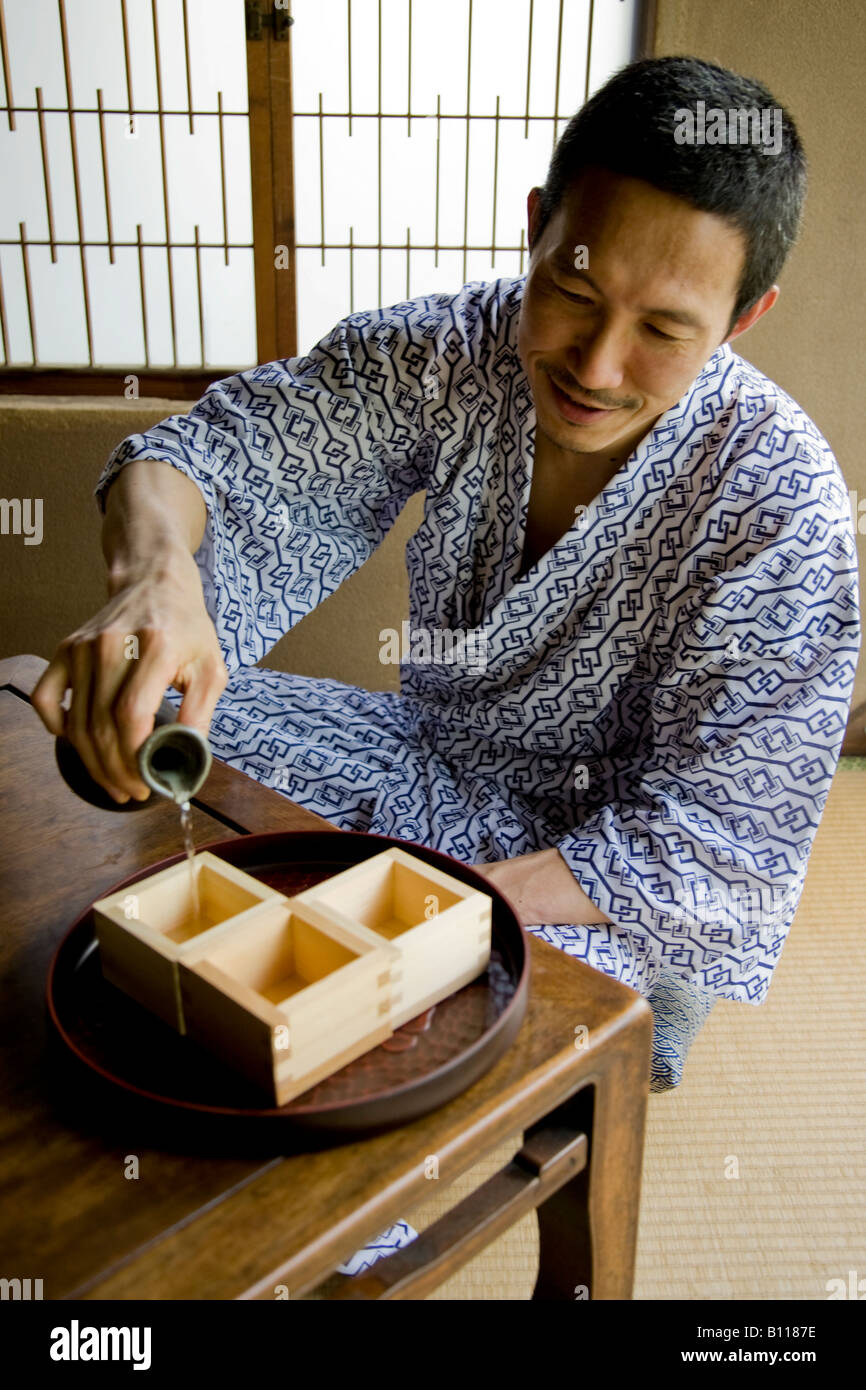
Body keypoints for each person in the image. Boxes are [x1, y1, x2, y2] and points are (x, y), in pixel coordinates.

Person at [32, 56, 860, 1107]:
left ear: (744, 317)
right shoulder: (451, 350)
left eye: (661, 331)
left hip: (591, 861)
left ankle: (657, 982)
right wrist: (158, 581)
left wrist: (434, 904)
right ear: (536, 225)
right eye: (571, 287)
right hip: (426, 750)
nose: (594, 365)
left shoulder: (779, 496)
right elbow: (208, 455)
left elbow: (722, 830)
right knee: (144, 719)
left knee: (394, 1059)